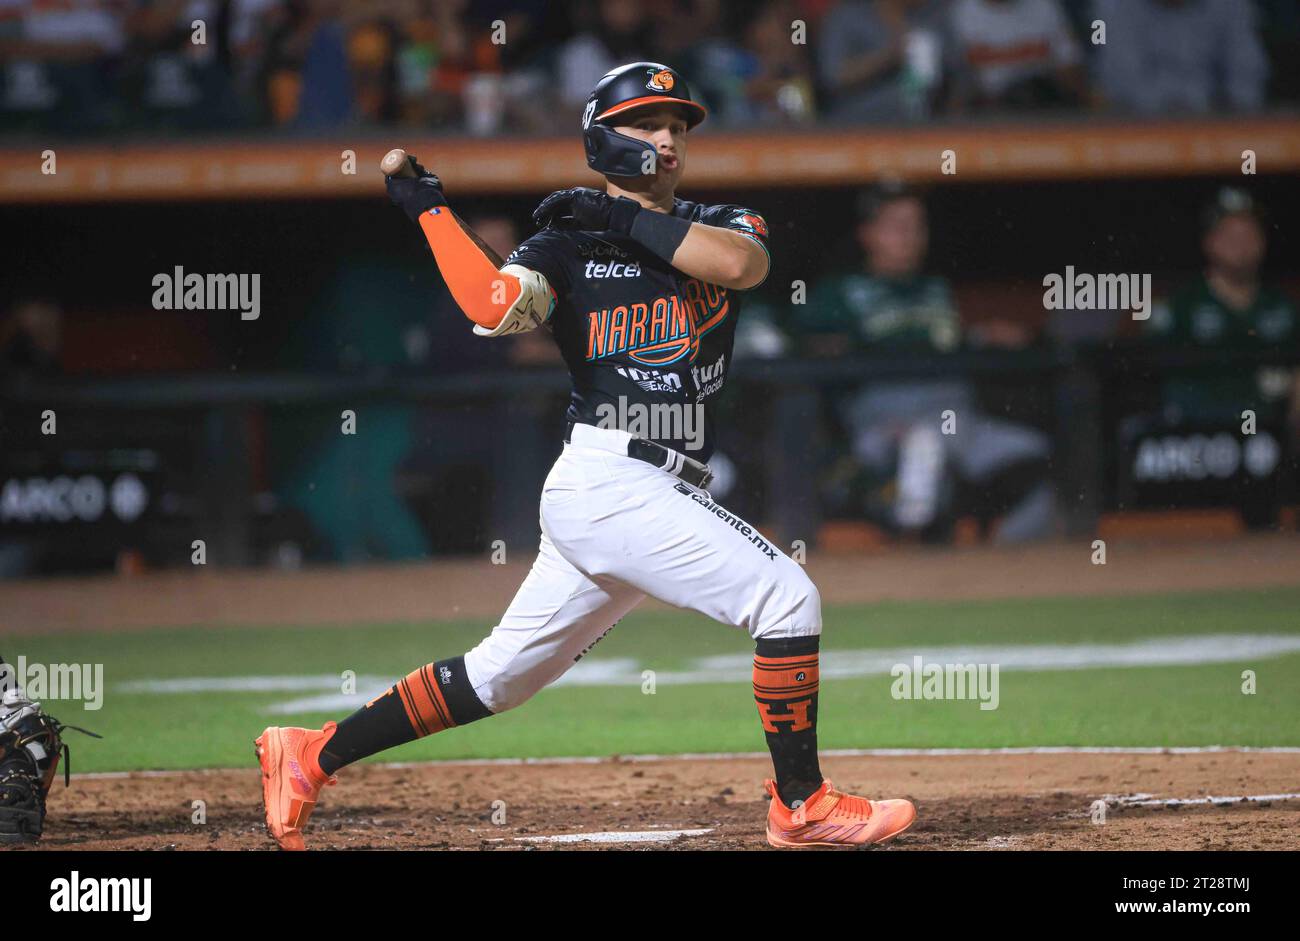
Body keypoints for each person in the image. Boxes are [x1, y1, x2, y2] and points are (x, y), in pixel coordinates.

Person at [255, 61, 916, 850]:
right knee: (787, 598)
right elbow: (494, 310)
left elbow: (740, 266)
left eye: (676, 126)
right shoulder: (562, 246)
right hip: (610, 478)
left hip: (652, 485)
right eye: (647, 124)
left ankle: (311, 753)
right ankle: (800, 805)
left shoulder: (723, 221)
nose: (667, 139)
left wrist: (620, 216)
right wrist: (431, 211)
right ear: (604, 137)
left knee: (499, 677)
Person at [794, 182, 1055, 542]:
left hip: (958, 419)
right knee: (924, 442)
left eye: (916, 225)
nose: (909, 235)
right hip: (886, 426)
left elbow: (940, 343)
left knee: (1039, 455)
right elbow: (806, 346)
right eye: (896, 225)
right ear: (868, 234)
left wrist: (981, 337)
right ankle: (911, 549)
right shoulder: (840, 291)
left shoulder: (937, 288)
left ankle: (1003, 563)